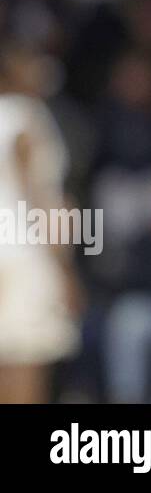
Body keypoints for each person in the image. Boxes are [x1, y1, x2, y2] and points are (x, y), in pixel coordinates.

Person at [0, 42, 80, 402]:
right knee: (26, 368)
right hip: (26, 259)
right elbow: (42, 200)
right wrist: (64, 266)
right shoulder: (29, 116)